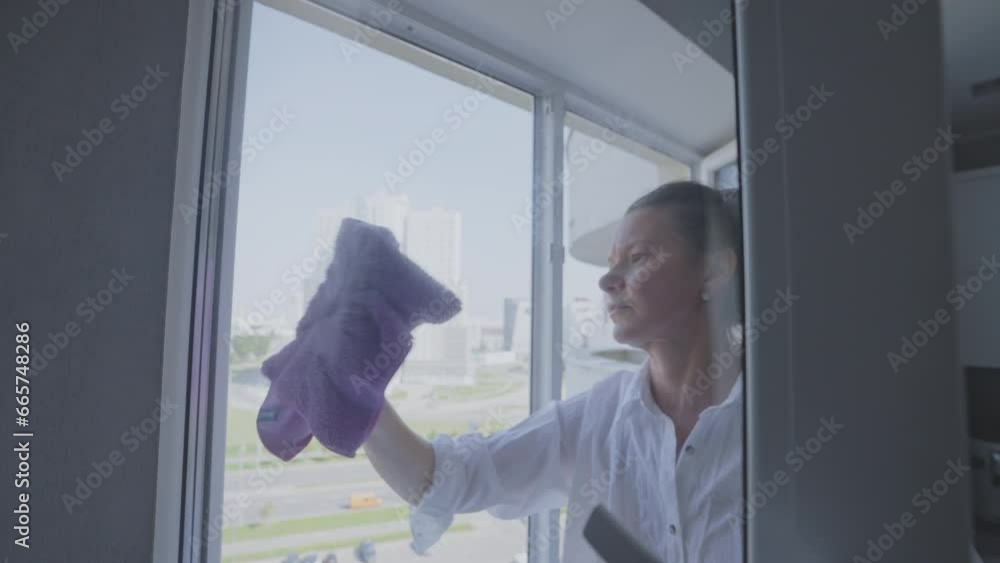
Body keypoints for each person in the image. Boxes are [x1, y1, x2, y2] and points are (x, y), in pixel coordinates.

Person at [362, 181, 745, 563]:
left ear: (711, 273)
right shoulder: (599, 417)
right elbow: (452, 480)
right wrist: (360, 393)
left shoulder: (773, 423)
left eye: (638, 258)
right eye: (612, 263)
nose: (606, 281)